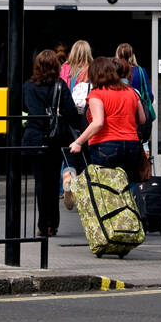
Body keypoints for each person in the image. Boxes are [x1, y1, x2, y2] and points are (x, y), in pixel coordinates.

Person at [22, 49, 79, 237]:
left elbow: (24, 107)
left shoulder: (28, 86)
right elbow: (70, 111)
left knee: (40, 182)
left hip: (34, 137)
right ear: (56, 66)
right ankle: (52, 224)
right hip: (54, 138)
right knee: (53, 182)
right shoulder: (60, 85)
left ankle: (42, 224)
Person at [69, 56, 146, 183]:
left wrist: (78, 142)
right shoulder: (131, 92)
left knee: (107, 188)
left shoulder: (96, 94)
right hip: (132, 144)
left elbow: (98, 123)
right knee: (129, 184)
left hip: (105, 145)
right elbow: (142, 119)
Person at [59, 39, 93, 206]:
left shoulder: (65, 68)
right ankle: (84, 188)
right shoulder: (92, 70)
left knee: (67, 152)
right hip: (85, 117)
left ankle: (65, 184)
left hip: (67, 116)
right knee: (85, 153)